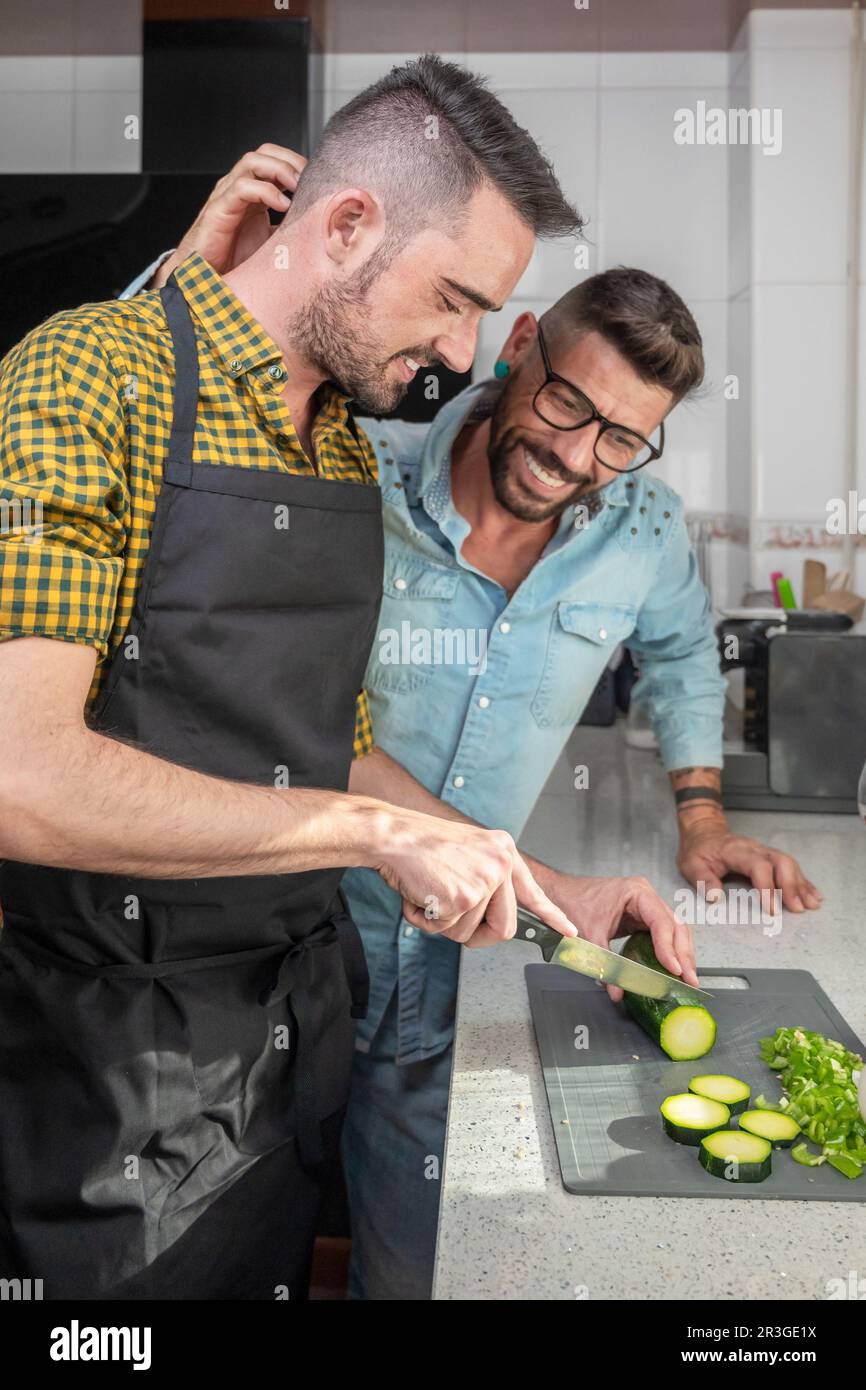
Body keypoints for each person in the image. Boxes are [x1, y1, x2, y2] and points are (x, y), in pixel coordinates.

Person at [148, 149, 820, 1300]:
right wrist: (179, 287)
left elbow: (676, 655)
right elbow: (168, 458)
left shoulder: (644, 530)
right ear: (516, 351)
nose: (574, 454)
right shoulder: (353, 466)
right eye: (566, 403)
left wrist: (700, 820)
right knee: (205, 1266)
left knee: (424, 1274)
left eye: (620, 437)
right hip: (279, 967)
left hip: (463, 979)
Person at [0, 56, 590, 1301]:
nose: (462, 350)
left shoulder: (343, 450)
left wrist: (543, 888)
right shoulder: (89, 373)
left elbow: (335, 740)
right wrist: (372, 835)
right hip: (108, 1081)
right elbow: (23, 775)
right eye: (453, 298)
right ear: (347, 225)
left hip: (286, 1052)